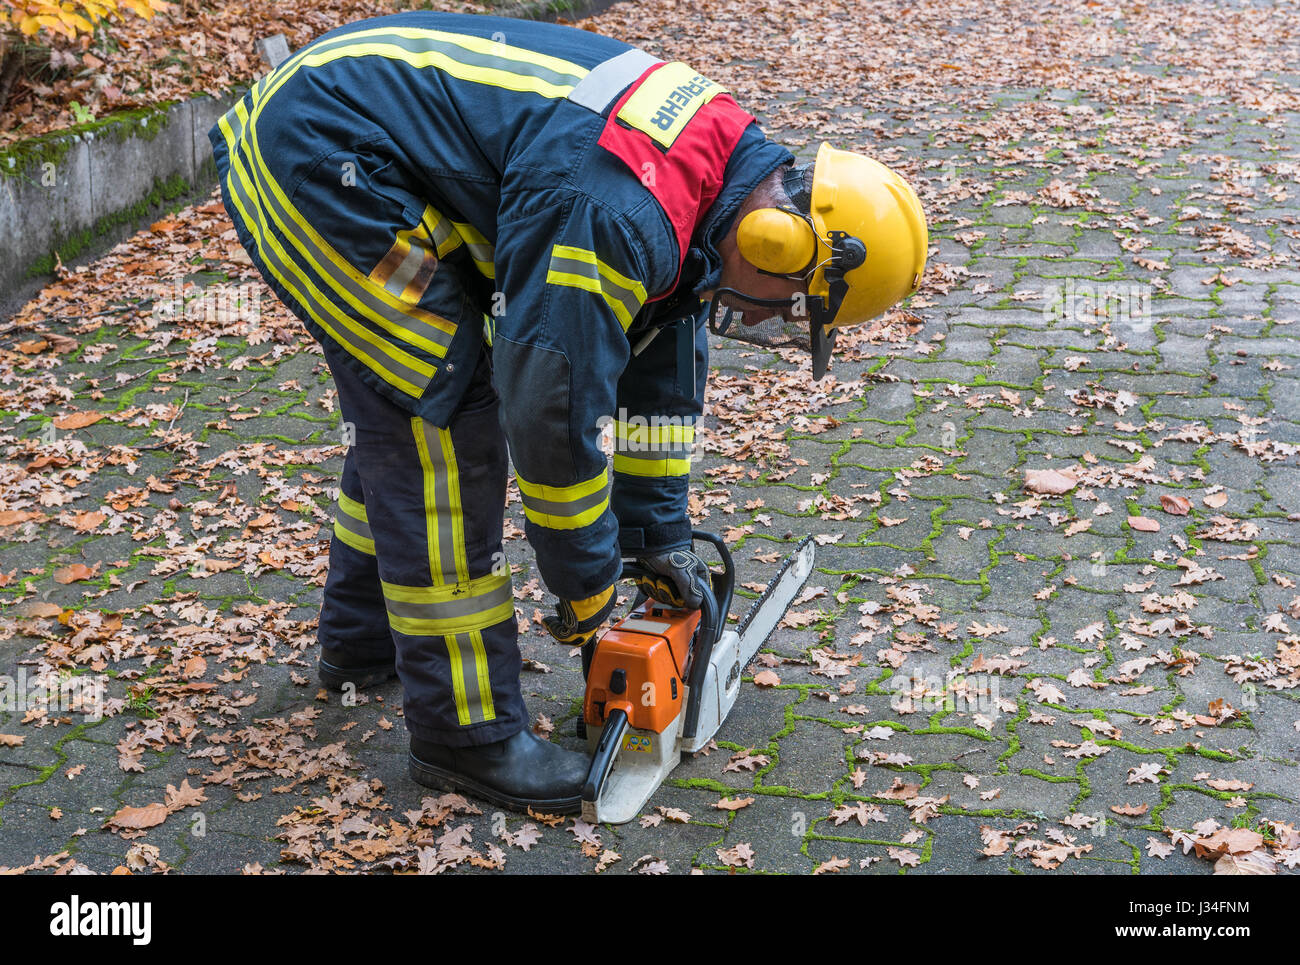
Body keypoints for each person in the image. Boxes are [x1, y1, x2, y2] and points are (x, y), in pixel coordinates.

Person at [209, 10, 927, 814]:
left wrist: (655, 538)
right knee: (441, 424)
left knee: (404, 404)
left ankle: (359, 639)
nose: (771, 323)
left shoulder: (714, 171)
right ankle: (464, 736)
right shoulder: (617, 213)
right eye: (792, 308)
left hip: (365, 139)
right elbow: (554, 416)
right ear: (776, 243)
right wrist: (585, 587)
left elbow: (659, 356)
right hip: (322, 166)